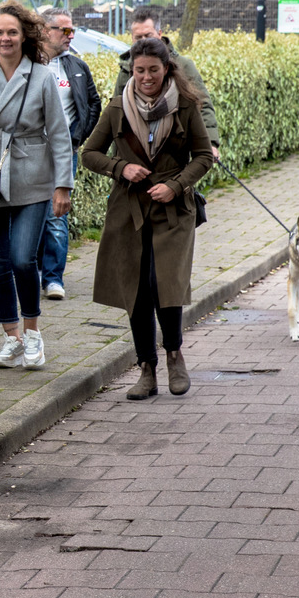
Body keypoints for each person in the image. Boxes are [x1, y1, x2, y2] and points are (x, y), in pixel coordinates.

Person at [81, 36, 215, 399]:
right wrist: (121, 168)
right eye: (139, 71)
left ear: (166, 68)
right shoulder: (117, 107)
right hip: (129, 210)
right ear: (131, 71)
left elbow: (204, 155)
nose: (145, 77)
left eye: (153, 70)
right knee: (135, 290)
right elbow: (90, 154)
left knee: (164, 285)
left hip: (173, 210)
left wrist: (175, 185)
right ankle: (146, 369)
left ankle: (174, 355)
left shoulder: (185, 104)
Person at [0, 0, 74, 369]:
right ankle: (12, 338)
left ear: (24, 35)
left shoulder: (41, 76)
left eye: (12, 32)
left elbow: (59, 134)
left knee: (24, 259)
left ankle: (34, 333)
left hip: (31, 175)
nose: (5, 38)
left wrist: (63, 186)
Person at [36, 8, 101, 301]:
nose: (70, 35)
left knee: (56, 214)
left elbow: (93, 105)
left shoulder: (76, 66)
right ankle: (31, 272)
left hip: (64, 153)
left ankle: (53, 278)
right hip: (29, 153)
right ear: (43, 31)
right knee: (28, 212)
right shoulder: (27, 66)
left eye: (71, 30)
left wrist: (76, 138)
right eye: (64, 30)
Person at [116, 7, 220, 160]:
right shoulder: (126, 70)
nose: (144, 41)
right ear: (132, 38)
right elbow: (117, 112)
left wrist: (209, 143)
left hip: (174, 151)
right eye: (138, 37)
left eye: (148, 35)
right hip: (136, 152)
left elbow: (202, 104)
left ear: (159, 34)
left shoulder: (182, 65)